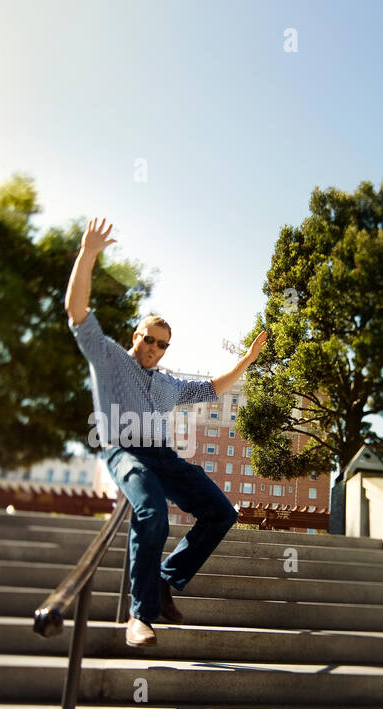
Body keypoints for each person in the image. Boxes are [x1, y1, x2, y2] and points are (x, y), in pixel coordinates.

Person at [64, 217, 268, 648]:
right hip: (124, 452)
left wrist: (247, 362)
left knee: (221, 512)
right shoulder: (110, 359)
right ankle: (140, 615)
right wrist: (88, 254)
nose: (153, 349)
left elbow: (212, 388)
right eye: (148, 339)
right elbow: (78, 313)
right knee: (152, 512)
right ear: (135, 336)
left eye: (161, 344)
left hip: (162, 455)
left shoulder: (170, 384)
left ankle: (166, 579)